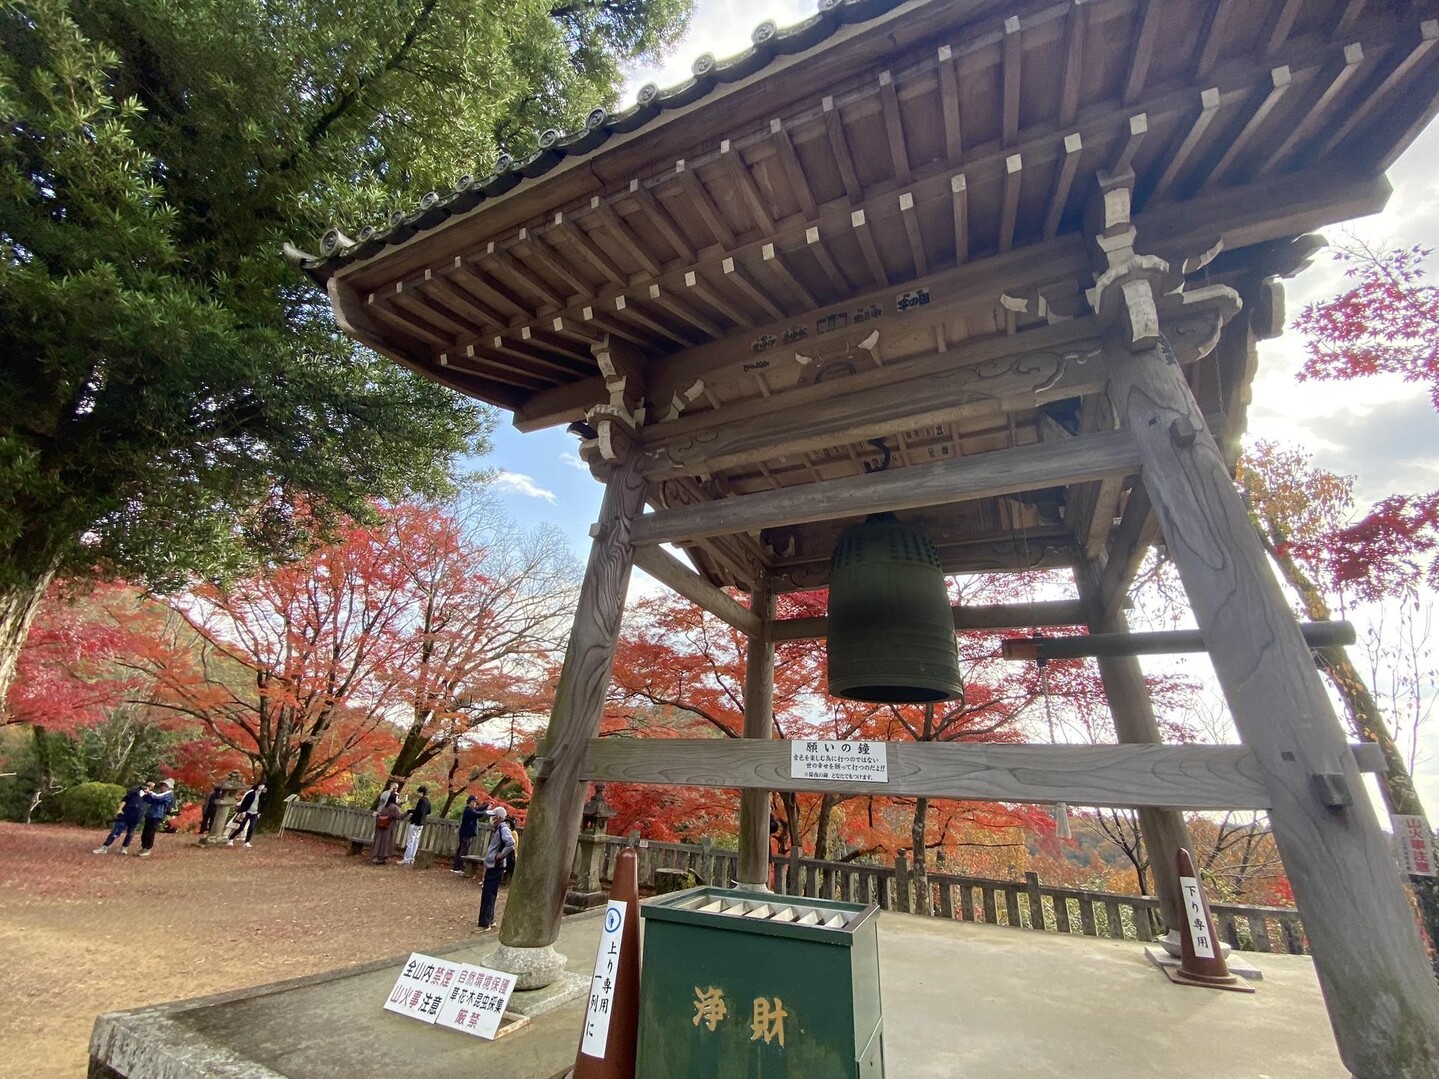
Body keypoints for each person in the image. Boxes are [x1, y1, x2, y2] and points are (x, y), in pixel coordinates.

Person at [476, 805, 515, 932]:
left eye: (493, 816)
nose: (491, 818)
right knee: (490, 893)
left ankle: (484, 922)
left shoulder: (503, 829)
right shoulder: (499, 828)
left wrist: (501, 854)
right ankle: (490, 919)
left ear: (498, 818)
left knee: (488, 893)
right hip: (495, 865)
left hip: (496, 865)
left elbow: (511, 842)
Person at [92, 781, 152, 855]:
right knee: (115, 832)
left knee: (130, 834)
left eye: (150, 787)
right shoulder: (133, 792)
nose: (148, 788)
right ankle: (105, 847)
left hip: (136, 818)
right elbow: (125, 800)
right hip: (126, 815)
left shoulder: (149, 797)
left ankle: (124, 848)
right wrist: (119, 809)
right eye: (147, 786)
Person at [138, 778, 176, 857]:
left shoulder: (169, 793)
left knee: (150, 832)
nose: (162, 787)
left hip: (157, 815)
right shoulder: (162, 794)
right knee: (145, 832)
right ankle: (144, 847)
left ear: (168, 786)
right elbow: (150, 799)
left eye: (164, 785)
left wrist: (149, 792)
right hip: (151, 814)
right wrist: (145, 794)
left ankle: (147, 848)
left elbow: (157, 797)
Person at [398, 785, 431, 867]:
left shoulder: (422, 800)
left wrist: (410, 811)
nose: (418, 794)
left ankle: (406, 859)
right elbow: (429, 811)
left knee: (410, 841)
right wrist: (423, 816)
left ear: (421, 792)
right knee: (416, 841)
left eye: (419, 792)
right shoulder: (427, 801)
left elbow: (418, 811)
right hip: (421, 824)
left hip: (415, 822)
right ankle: (412, 858)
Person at [226, 782, 267, 847]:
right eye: (260, 785)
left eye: (263, 786)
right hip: (247, 812)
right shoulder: (251, 793)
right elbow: (244, 803)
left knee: (251, 827)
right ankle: (231, 838)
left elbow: (262, 804)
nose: (261, 787)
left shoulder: (262, 795)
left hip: (255, 813)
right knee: (241, 827)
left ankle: (247, 842)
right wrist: (243, 811)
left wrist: (259, 812)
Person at [451, 795, 484, 874]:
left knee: (462, 849)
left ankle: (457, 866)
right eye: (474, 802)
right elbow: (477, 814)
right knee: (463, 850)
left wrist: (487, 806)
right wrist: (486, 812)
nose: (475, 804)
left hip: (466, 833)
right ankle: (458, 867)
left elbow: (479, 809)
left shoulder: (471, 810)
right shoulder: (469, 811)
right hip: (465, 833)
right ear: (470, 802)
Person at [371, 790, 402, 864]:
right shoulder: (394, 807)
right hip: (389, 827)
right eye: (397, 798)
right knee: (387, 842)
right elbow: (399, 816)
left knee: (380, 842)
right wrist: (408, 812)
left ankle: (376, 857)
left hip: (381, 826)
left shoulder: (385, 806)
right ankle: (383, 858)